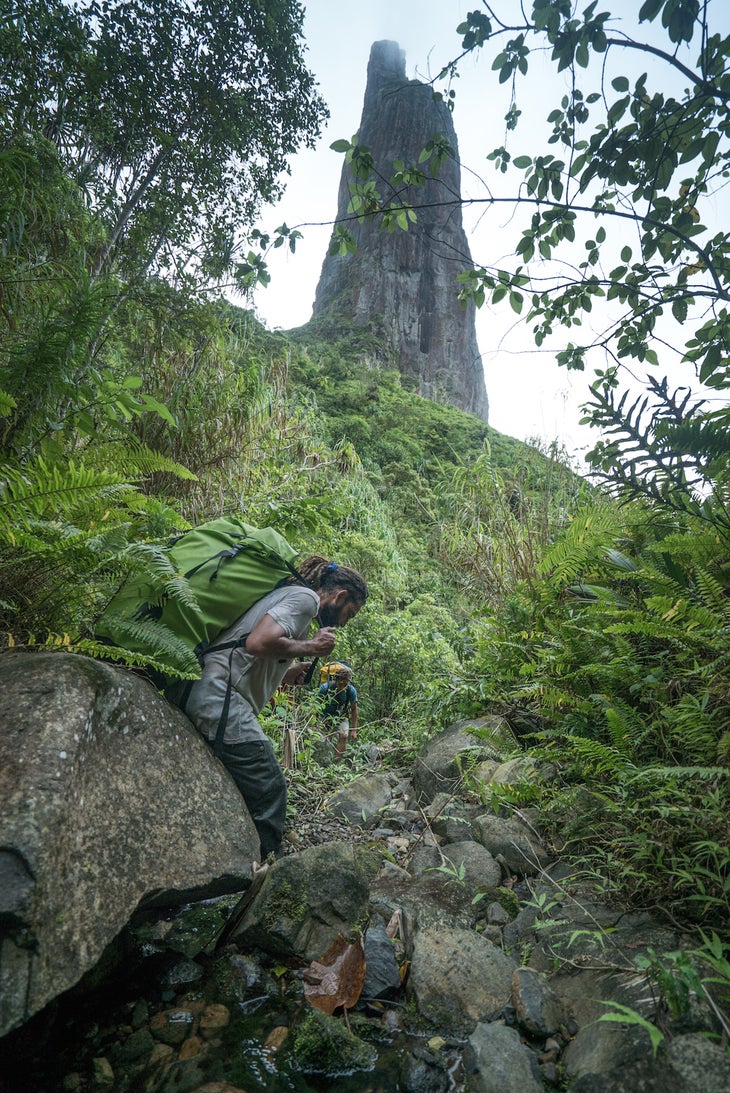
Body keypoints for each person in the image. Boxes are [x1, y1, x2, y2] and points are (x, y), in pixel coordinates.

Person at [172, 556, 367, 862]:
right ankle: (264, 870)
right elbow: (258, 642)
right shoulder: (305, 599)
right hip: (220, 695)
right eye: (349, 613)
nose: (343, 622)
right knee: (269, 786)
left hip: (216, 691)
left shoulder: (291, 597)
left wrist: (287, 672)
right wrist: (311, 648)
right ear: (340, 596)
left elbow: (256, 652)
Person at [318, 664, 358, 758]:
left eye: (345, 684)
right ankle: (324, 761)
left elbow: (354, 709)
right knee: (325, 739)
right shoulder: (325, 688)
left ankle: (337, 762)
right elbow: (316, 705)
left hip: (341, 716)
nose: (342, 687)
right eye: (340, 684)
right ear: (335, 680)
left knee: (343, 736)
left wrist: (354, 730)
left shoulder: (350, 690)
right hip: (325, 716)